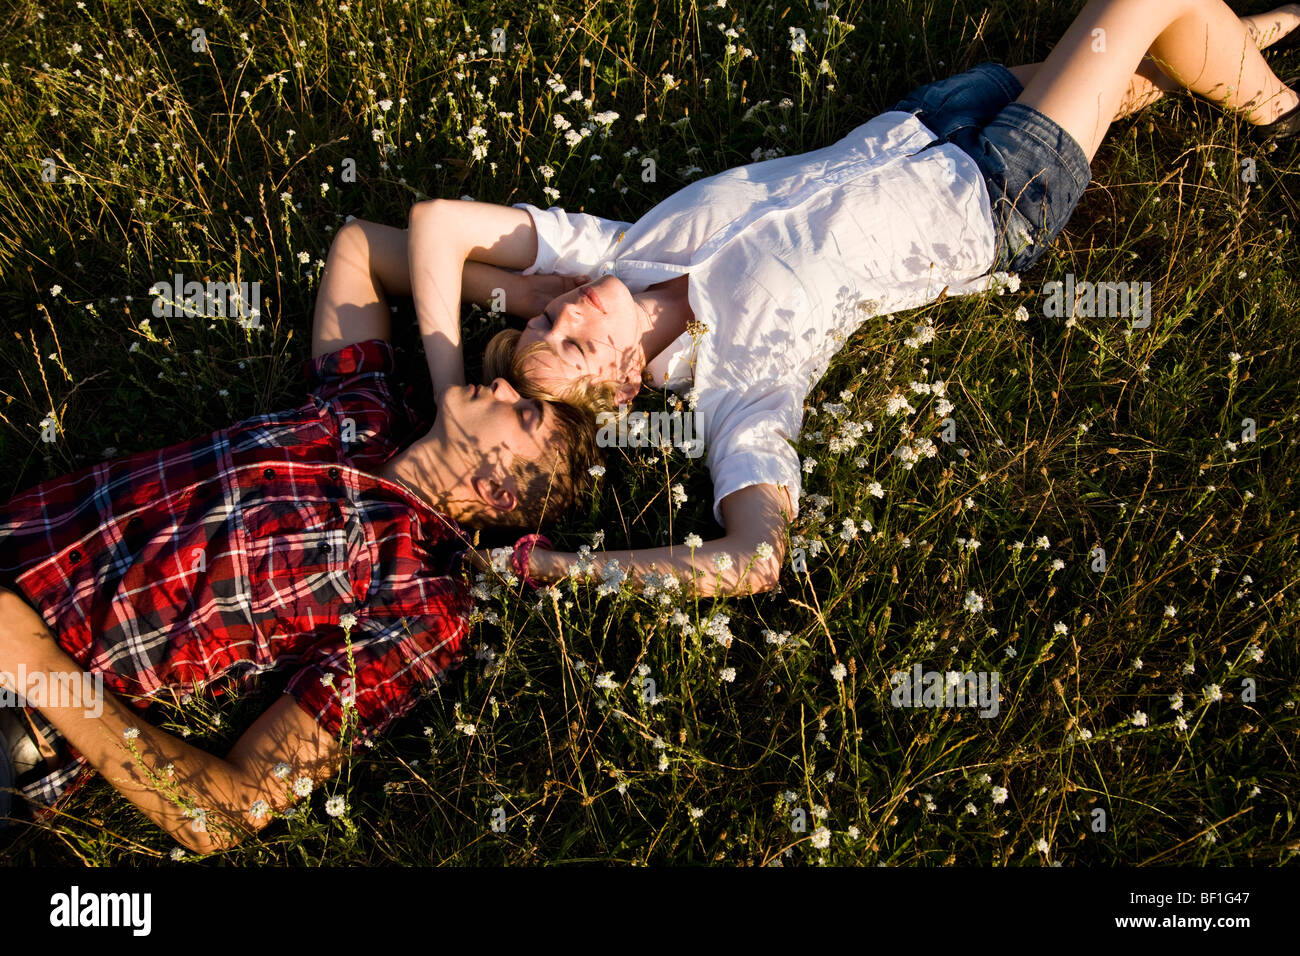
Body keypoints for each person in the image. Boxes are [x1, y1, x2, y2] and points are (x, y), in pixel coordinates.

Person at [415, 0, 1300, 598]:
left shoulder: (618, 248)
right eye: (569, 342)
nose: (563, 311)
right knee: (1135, 8)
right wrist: (558, 568)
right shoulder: (740, 391)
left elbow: (435, 228)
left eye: (542, 318)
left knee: (1128, 65)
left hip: (923, 122)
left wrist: (448, 394)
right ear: (622, 390)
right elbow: (755, 559)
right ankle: (1279, 109)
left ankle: (1242, 43)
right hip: (998, 194)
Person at [0, 218, 603, 852]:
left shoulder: (423, 607)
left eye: (524, 413)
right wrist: (534, 301)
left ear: (500, 493)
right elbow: (361, 247)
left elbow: (227, 813)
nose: (503, 384)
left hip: (23, 698)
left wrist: (39, 669)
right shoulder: (370, 411)